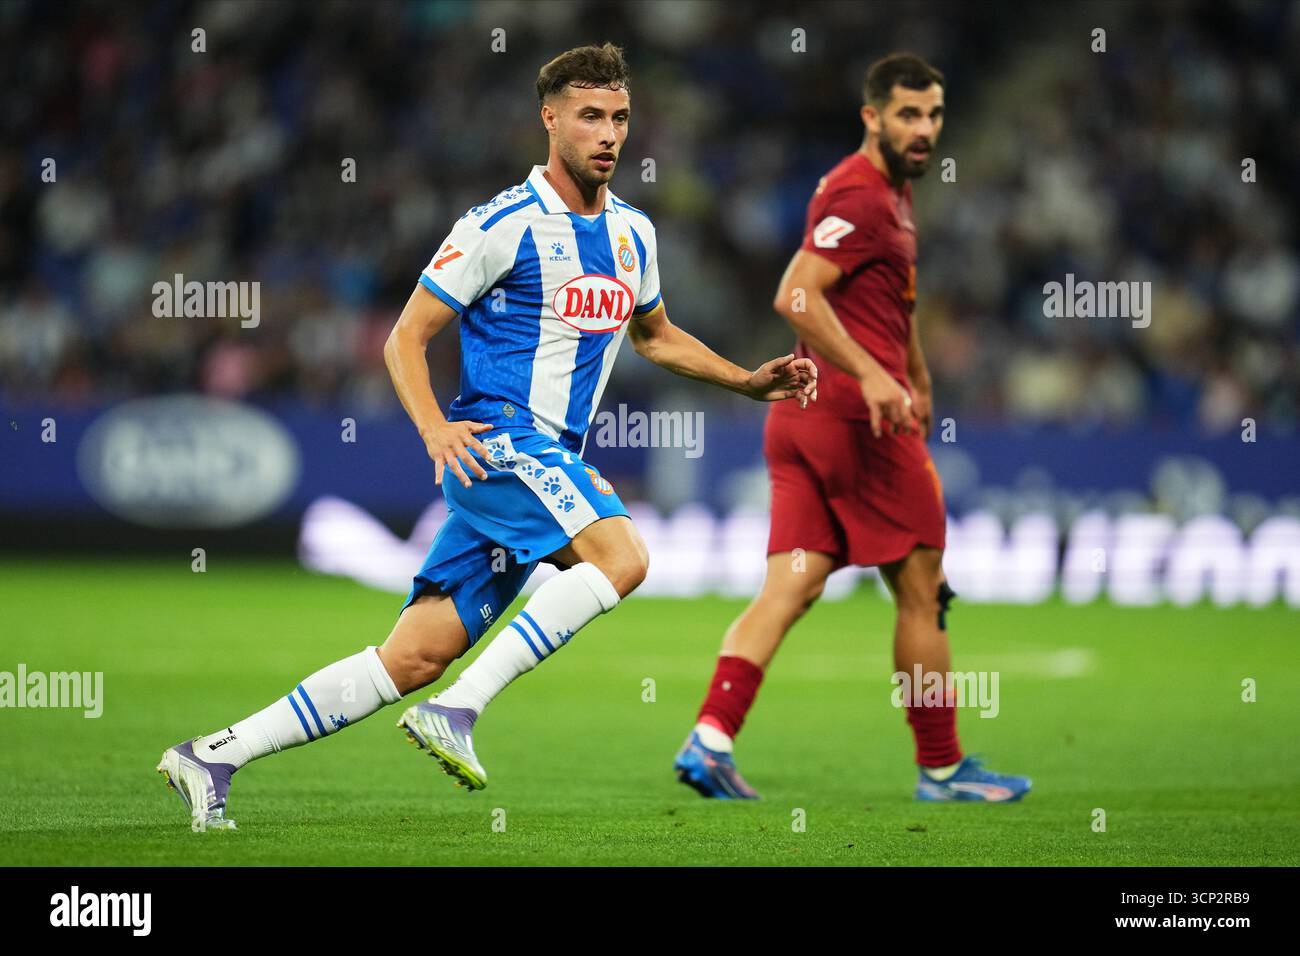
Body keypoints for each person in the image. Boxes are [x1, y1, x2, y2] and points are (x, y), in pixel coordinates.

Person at [156, 42, 816, 827]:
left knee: (413, 656)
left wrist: (744, 380)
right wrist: (434, 428)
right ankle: (460, 709)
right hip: (497, 439)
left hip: (541, 463)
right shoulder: (499, 225)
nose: (609, 134)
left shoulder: (635, 233)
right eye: (590, 117)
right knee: (624, 556)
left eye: (620, 118)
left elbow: (656, 335)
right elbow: (406, 337)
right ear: (551, 120)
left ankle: (213, 754)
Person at [673, 53, 1030, 803]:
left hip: (804, 419)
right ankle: (942, 767)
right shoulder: (862, 193)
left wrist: (918, 374)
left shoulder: (887, 194)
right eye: (908, 114)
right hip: (852, 420)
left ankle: (710, 738)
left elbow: (888, 304)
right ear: (872, 117)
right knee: (921, 585)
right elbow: (796, 298)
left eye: (933, 114)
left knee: (791, 587)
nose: (925, 128)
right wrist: (872, 375)